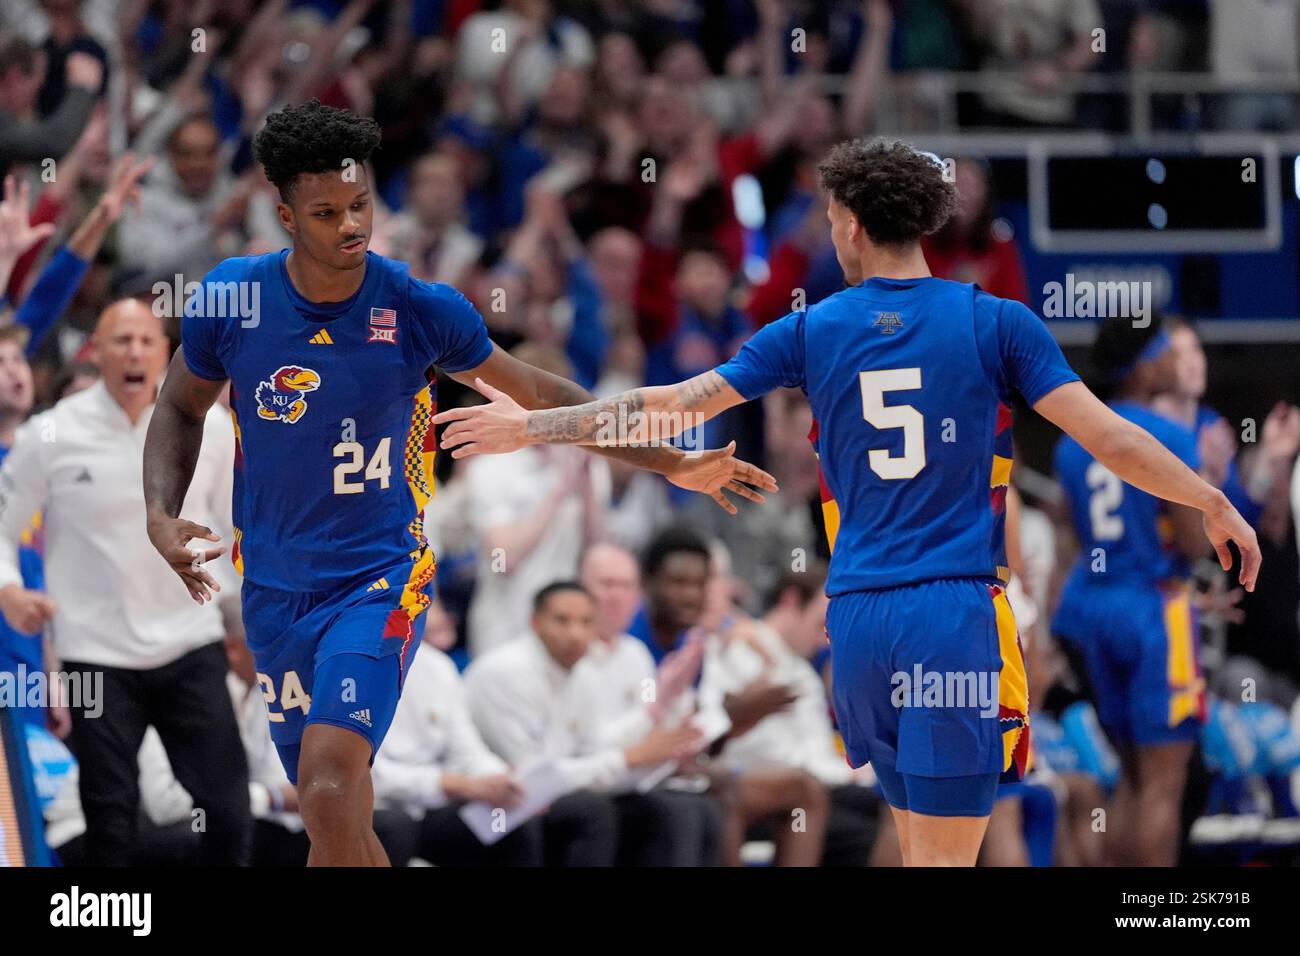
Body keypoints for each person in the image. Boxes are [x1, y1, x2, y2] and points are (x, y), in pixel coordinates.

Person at [432, 137, 1260, 866]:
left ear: (854, 224)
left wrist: (535, 425)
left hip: (858, 622)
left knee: (916, 851)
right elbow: (1110, 437)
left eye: (832, 216)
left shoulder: (812, 329)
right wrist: (1209, 497)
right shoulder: (996, 322)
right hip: (949, 614)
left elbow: (673, 404)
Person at [141, 100, 771, 867]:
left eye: (362, 204)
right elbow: (178, 406)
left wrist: (674, 461)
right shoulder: (233, 299)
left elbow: (546, 396)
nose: (351, 225)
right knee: (332, 815)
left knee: (333, 786)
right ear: (284, 215)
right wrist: (159, 512)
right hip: (274, 587)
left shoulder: (415, 305)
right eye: (327, 211)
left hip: (379, 577)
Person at [0, 298, 250, 866]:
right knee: (111, 817)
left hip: (190, 640)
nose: (135, 351)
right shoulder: (51, 433)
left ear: (165, 351)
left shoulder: (209, 426)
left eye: (146, 340)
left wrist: (247, 612)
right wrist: (9, 588)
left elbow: (235, 533)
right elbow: (3, 530)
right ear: (95, 352)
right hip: (96, 654)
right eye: (121, 341)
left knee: (227, 805)